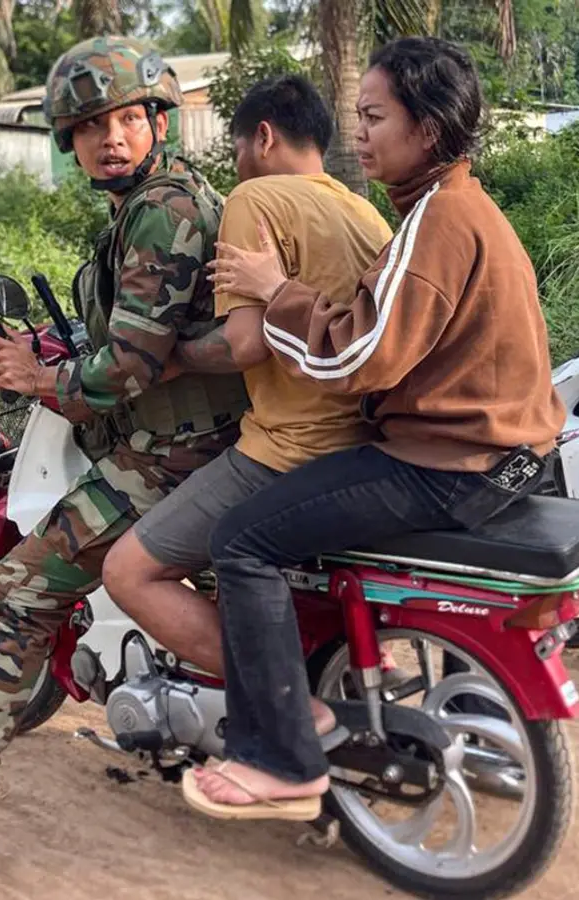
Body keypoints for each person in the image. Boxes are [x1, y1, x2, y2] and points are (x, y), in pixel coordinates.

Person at [0, 35, 249, 886]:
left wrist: (45, 376)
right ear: (69, 142)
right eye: (90, 125)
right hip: (181, 450)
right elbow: (143, 336)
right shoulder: (147, 207)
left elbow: (132, 368)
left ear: (156, 121)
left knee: (16, 594)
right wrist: (54, 349)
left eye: (126, 119)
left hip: (166, 461)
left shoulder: (165, 209)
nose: (110, 137)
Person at [179, 36, 566, 820]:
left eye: (374, 116)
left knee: (242, 541)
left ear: (427, 128)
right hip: (511, 457)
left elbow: (359, 356)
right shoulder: (453, 207)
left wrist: (272, 287)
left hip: (449, 462)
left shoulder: (439, 221)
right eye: (357, 117)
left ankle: (283, 757)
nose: (359, 134)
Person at [100, 74, 393, 723]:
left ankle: (291, 703)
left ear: (263, 136)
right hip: (363, 449)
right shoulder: (364, 209)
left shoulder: (255, 197)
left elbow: (244, 344)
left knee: (129, 572)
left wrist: (167, 358)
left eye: (236, 150)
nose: (235, 167)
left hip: (287, 448)